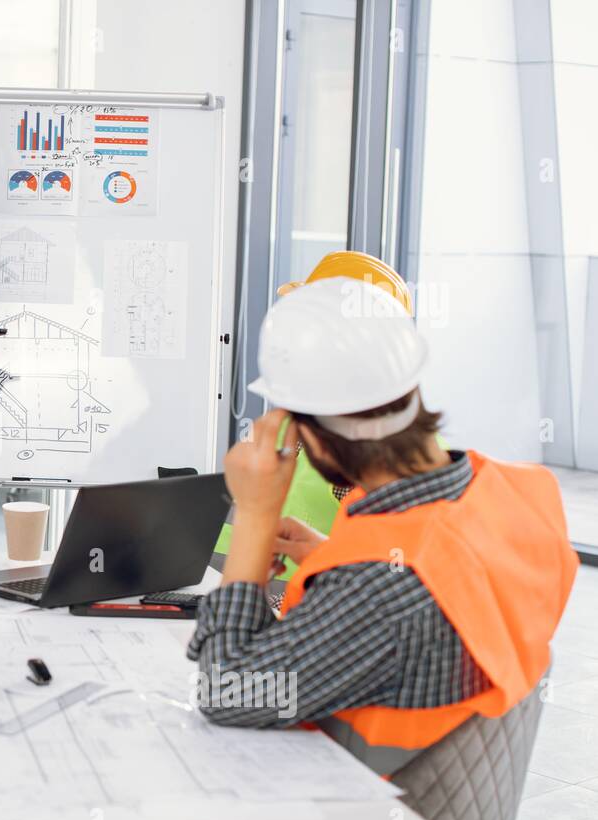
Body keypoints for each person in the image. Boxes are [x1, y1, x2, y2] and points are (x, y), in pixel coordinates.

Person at [188, 277, 577, 776]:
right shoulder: (522, 492)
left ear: (316, 443)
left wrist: (257, 515)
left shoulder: (377, 589)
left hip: (357, 816)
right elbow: (448, 572)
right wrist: (336, 559)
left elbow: (226, 692)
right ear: (410, 389)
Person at [212, 251, 417, 598]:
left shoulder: (380, 456)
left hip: (298, 603)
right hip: (231, 582)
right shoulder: (304, 421)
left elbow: (384, 573)